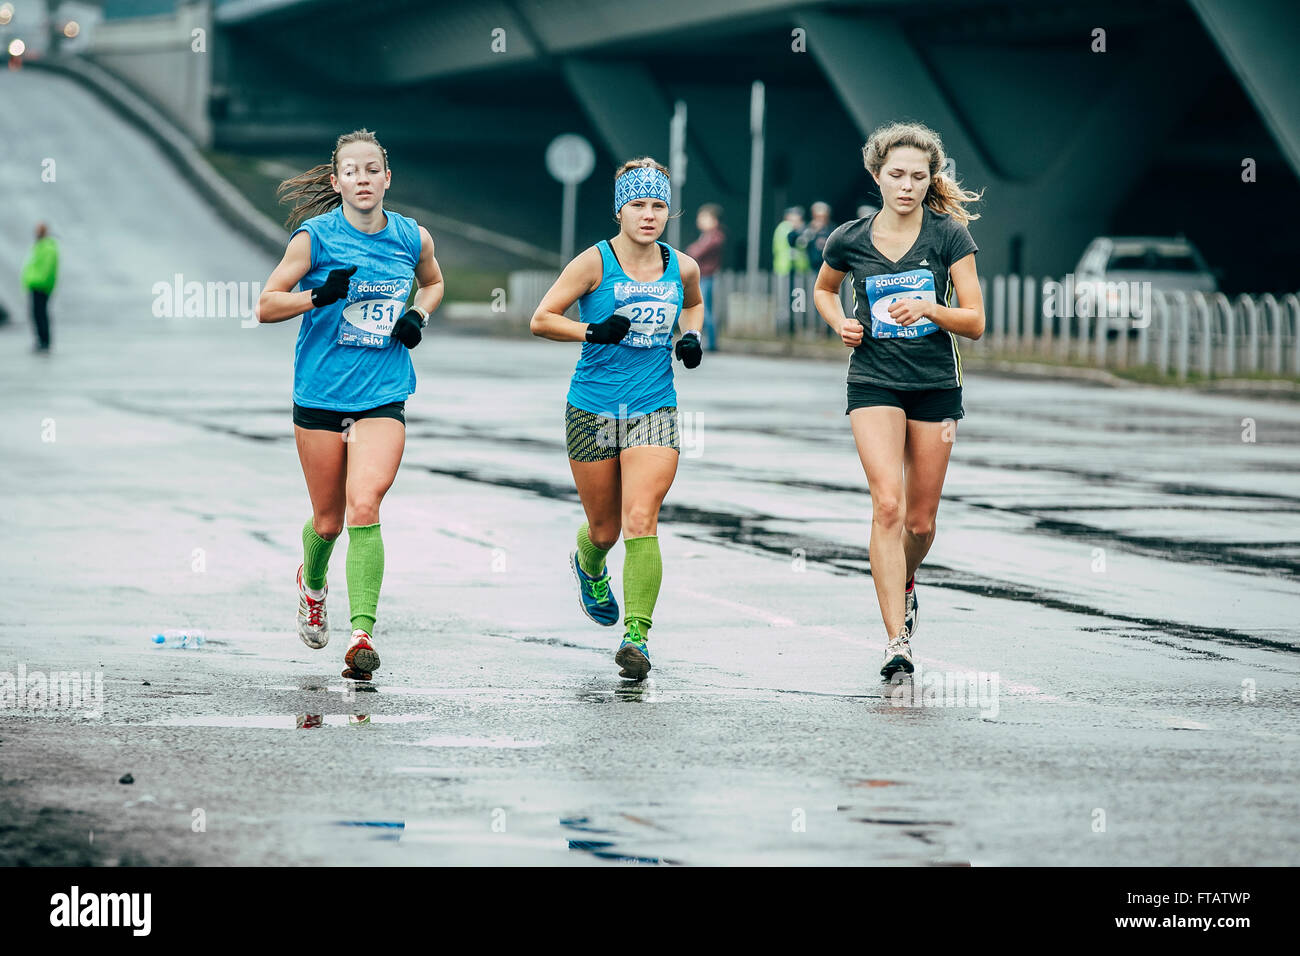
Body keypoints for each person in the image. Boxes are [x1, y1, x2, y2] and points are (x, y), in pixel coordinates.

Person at [255, 129, 444, 681]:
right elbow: (266, 306)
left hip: (382, 396)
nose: (363, 179)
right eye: (351, 171)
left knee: (365, 504)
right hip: (319, 396)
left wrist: (418, 315)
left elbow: (432, 284)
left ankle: (361, 634)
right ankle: (312, 586)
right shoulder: (313, 240)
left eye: (372, 169)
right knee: (329, 519)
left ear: (387, 178)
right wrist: (318, 296)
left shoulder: (412, 237)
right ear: (336, 182)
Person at [812, 122, 985, 679]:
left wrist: (931, 309)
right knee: (886, 505)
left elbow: (976, 322)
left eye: (918, 176)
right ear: (877, 176)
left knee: (919, 521)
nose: (907, 186)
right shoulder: (849, 238)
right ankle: (896, 640)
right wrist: (841, 322)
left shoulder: (948, 236)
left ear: (930, 178)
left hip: (935, 383)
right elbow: (823, 288)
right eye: (897, 175)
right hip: (873, 382)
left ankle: (906, 578)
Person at [530, 157, 705, 680]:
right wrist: (592, 331)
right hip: (592, 408)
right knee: (605, 529)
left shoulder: (683, 265)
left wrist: (690, 336)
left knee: (640, 518)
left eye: (658, 206)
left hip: (654, 406)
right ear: (619, 210)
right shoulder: (593, 263)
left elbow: (693, 304)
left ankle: (637, 637)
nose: (649, 216)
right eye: (638, 205)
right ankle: (589, 565)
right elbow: (542, 319)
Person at [685, 204, 725, 352]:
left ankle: (712, 342)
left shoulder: (714, 236)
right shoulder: (708, 236)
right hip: (703, 276)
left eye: (703, 218)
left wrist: (692, 249)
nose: (699, 221)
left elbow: (695, 251)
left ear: (714, 220)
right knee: (704, 308)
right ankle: (709, 340)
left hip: (707, 276)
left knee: (704, 309)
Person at [21, 222, 58, 351]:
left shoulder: (47, 247)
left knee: (40, 314)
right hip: (35, 284)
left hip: (41, 286)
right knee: (37, 314)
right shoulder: (40, 246)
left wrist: (41, 281)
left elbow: (47, 268)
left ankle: (44, 341)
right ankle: (41, 340)